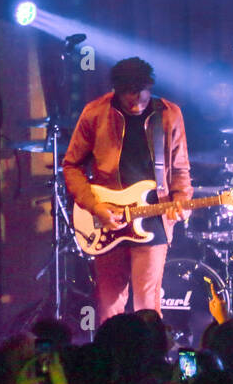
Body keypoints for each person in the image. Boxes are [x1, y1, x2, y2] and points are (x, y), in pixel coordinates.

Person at [62, 57, 192, 322]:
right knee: (110, 303)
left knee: (147, 304)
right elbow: (71, 166)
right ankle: (112, 359)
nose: (135, 104)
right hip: (107, 217)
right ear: (116, 92)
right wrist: (95, 206)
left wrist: (181, 199)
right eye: (127, 97)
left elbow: (180, 169)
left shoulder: (169, 114)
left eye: (141, 97)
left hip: (153, 216)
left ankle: (150, 359)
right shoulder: (95, 113)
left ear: (150, 87)